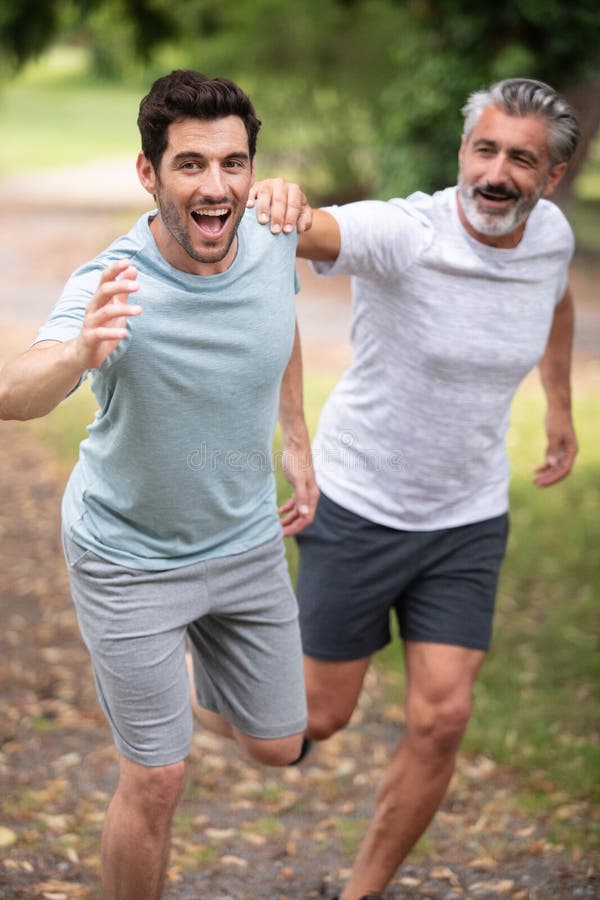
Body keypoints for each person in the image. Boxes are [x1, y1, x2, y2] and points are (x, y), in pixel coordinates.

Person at [249, 77, 580, 899]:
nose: (497, 173)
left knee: (443, 718)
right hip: (360, 503)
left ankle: (362, 892)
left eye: (522, 159)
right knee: (311, 724)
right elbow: (288, 237)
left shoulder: (551, 239)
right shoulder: (404, 233)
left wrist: (561, 405)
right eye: (485, 149)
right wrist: (281, 199)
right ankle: (201, 696)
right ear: (463, 152)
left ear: (553, 178)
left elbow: (558, 298)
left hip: (467, 517)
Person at [0, 69, 319, 900]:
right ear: (149, 174)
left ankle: (181, 700)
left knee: (281, 744)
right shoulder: (111, 281)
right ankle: (160, 722)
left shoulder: (275, 236)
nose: (216, 187)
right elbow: (14, 394)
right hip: (127, 556)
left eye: (234, 163)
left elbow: (279, 324)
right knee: (157, 778)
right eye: (190, 165)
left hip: (244, 541)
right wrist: (75, 354)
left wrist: (296, 439)